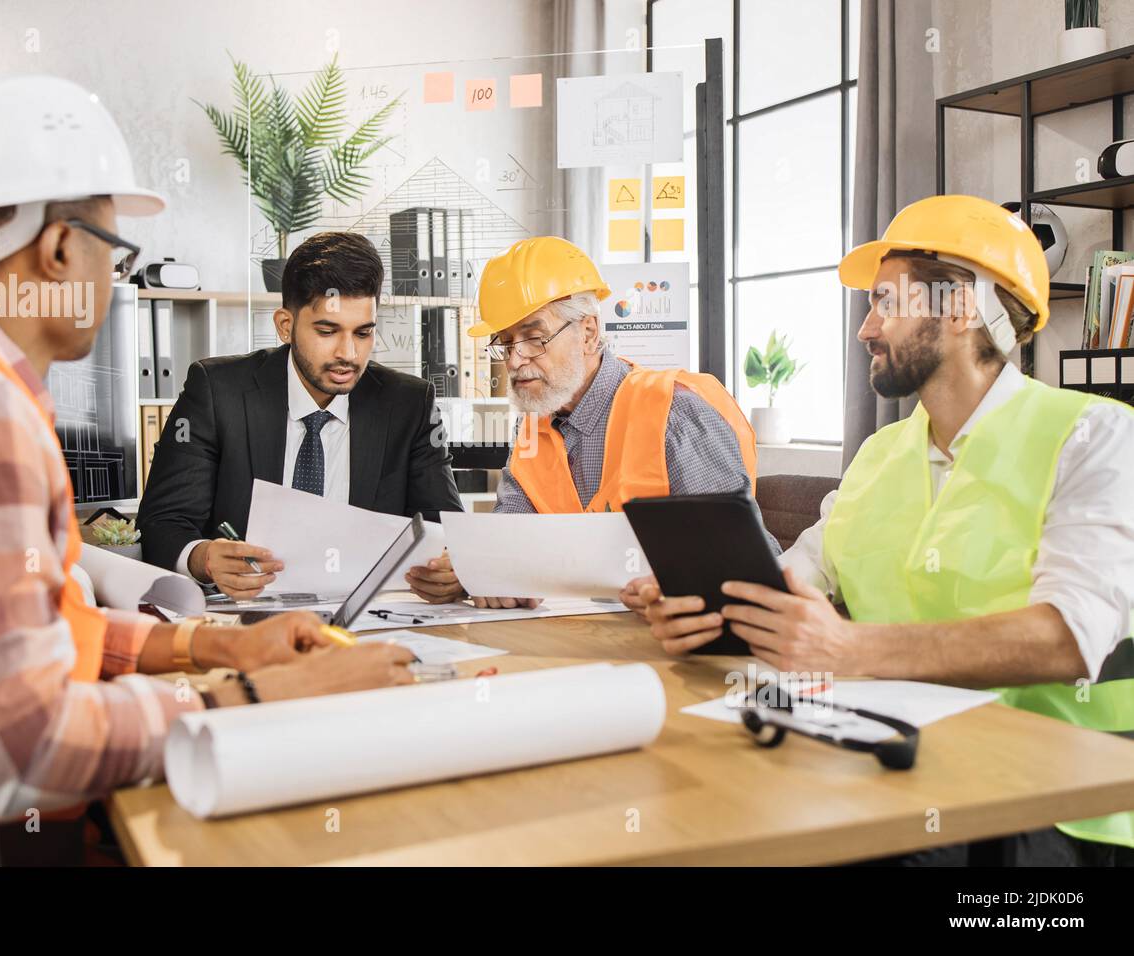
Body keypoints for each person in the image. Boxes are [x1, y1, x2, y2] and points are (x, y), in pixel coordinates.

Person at [0, 74, 412, 866]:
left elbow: (28, 628)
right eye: (117, 253)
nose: (113, 282)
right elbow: (19, 750)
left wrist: (216, 649)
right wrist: (253, 699)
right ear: (62, 247)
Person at [633, 194, 1134, 865]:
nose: (868, 329)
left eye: (887, 304)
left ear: (961, 309)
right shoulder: (880, 455)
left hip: (1057, 804)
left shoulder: (1096, 436)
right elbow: (790, 582)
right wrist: (703, 605)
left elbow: (1067, 637)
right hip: (894, 761)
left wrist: (848, 649)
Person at [404, 235, 771, 608]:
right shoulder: (534, 424)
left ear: (589, 332)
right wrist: (471, 571)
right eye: (505, 343)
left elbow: (744, 567)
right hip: (574, 642)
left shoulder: (674, 413)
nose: (514, 360)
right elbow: (510, 541)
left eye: (534, 338)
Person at [136, 231, 463, 598]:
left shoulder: (409, 404)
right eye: (327, 331)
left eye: (363, 333)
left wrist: (453, 569)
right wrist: (204, 557)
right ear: (285, 326)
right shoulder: (217, 391)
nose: (349, 354)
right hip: (248, 622)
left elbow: (446, 530)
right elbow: (163, 524)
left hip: (367, 621)